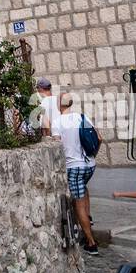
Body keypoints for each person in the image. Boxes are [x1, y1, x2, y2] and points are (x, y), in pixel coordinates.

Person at [54, 94, 99, 254]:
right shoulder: (82, 116)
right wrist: (92, 156)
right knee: (83, 188)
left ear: (60, 104)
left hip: (74, 167)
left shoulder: (57, 122)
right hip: (90, 165)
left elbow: (56, 146)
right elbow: (98, 138)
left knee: (78, 203)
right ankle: (88, 218)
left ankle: (91, 242)